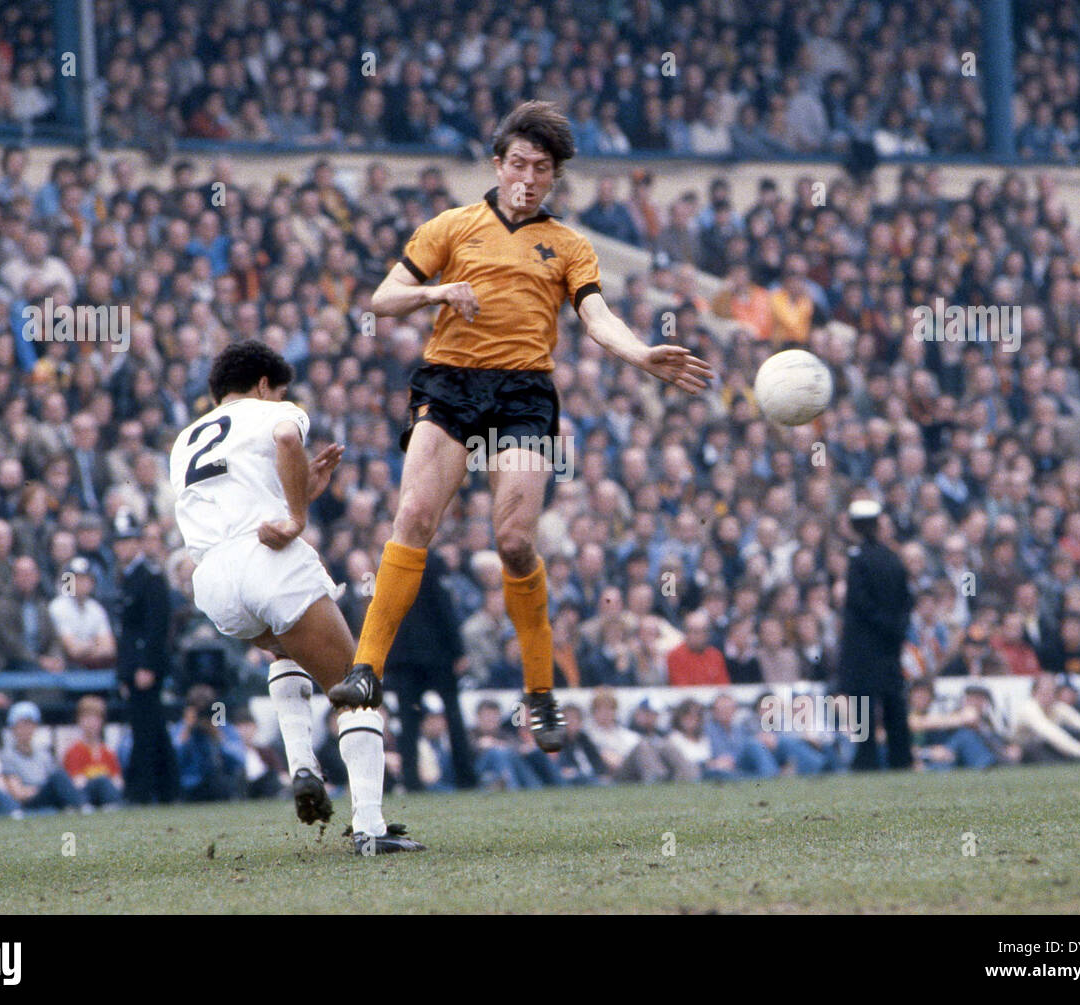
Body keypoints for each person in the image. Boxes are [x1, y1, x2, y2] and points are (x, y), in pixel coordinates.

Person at [334, 100, 713, 753]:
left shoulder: (568, 245)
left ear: (555, 177)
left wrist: (639, 353)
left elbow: (596, 317)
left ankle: (539, 689)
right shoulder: (451, 227)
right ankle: (366, 670)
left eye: (541, 168)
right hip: (448, 382)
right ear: (496, 163)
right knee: (414, 518)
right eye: (518, 162)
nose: (527, 176)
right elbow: (382, 297)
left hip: (523, 393)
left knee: (512, 540)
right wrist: (436, 293)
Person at [169, 340, 421, 853]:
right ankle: (370, 828)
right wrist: (299, 517)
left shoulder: (184, 441)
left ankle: (303, 765)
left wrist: (304, 489)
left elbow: (242, 498)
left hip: (213, 579)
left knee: (285, 647)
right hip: (268, 560)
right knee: (357, 686)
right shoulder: (276, 411)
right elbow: (286, 437)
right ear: (264, 385)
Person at [380, 548, 477, 791]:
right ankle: (465, 776)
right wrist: (458, 651)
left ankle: (412, 780)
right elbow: (444, 607)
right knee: (453, 717)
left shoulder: (391, 558)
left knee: (408, 721)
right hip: (437, 655)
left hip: (403, 657)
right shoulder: (432, 561)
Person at [839, 499, 914, 770]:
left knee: (864, 707)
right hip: (890, 645)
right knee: (894, 704)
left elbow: (859, 603)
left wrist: (881, 625)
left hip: (864, 648)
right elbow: (907, 600)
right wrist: (895, 629)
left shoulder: (858, 559)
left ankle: (866, 760)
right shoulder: (893, 557)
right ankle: (901, 759)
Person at [112, 510, 177, 804]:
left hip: (145, 666)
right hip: (134, 666)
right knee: (152, 726)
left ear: (138, 543)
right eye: (119, 542)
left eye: (128, 541)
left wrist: (146, 665)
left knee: (146, 728)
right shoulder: (129, 576)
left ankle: (143, 790)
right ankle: (166, 789)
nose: (123, 547)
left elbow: (155, 626)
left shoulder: (149, 576)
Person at [0, 701, 86, 812]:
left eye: (30, 724)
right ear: (13, 727)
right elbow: (18, 793)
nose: (26, 729)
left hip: (45, 794)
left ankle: (81, 806)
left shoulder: (43, 753)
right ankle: (81, 807)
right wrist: (39, 789)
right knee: (58, 777)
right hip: (30, 803)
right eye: (22, 724)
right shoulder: (8, 756)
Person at [62, 695, 124, 807]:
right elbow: (77, 783)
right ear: (79, 720)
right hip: (85, 797)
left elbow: (117, 782)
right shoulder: (73, 751)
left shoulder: (108, 752)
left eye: (96, 718)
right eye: (87, 717)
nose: (92, 723)